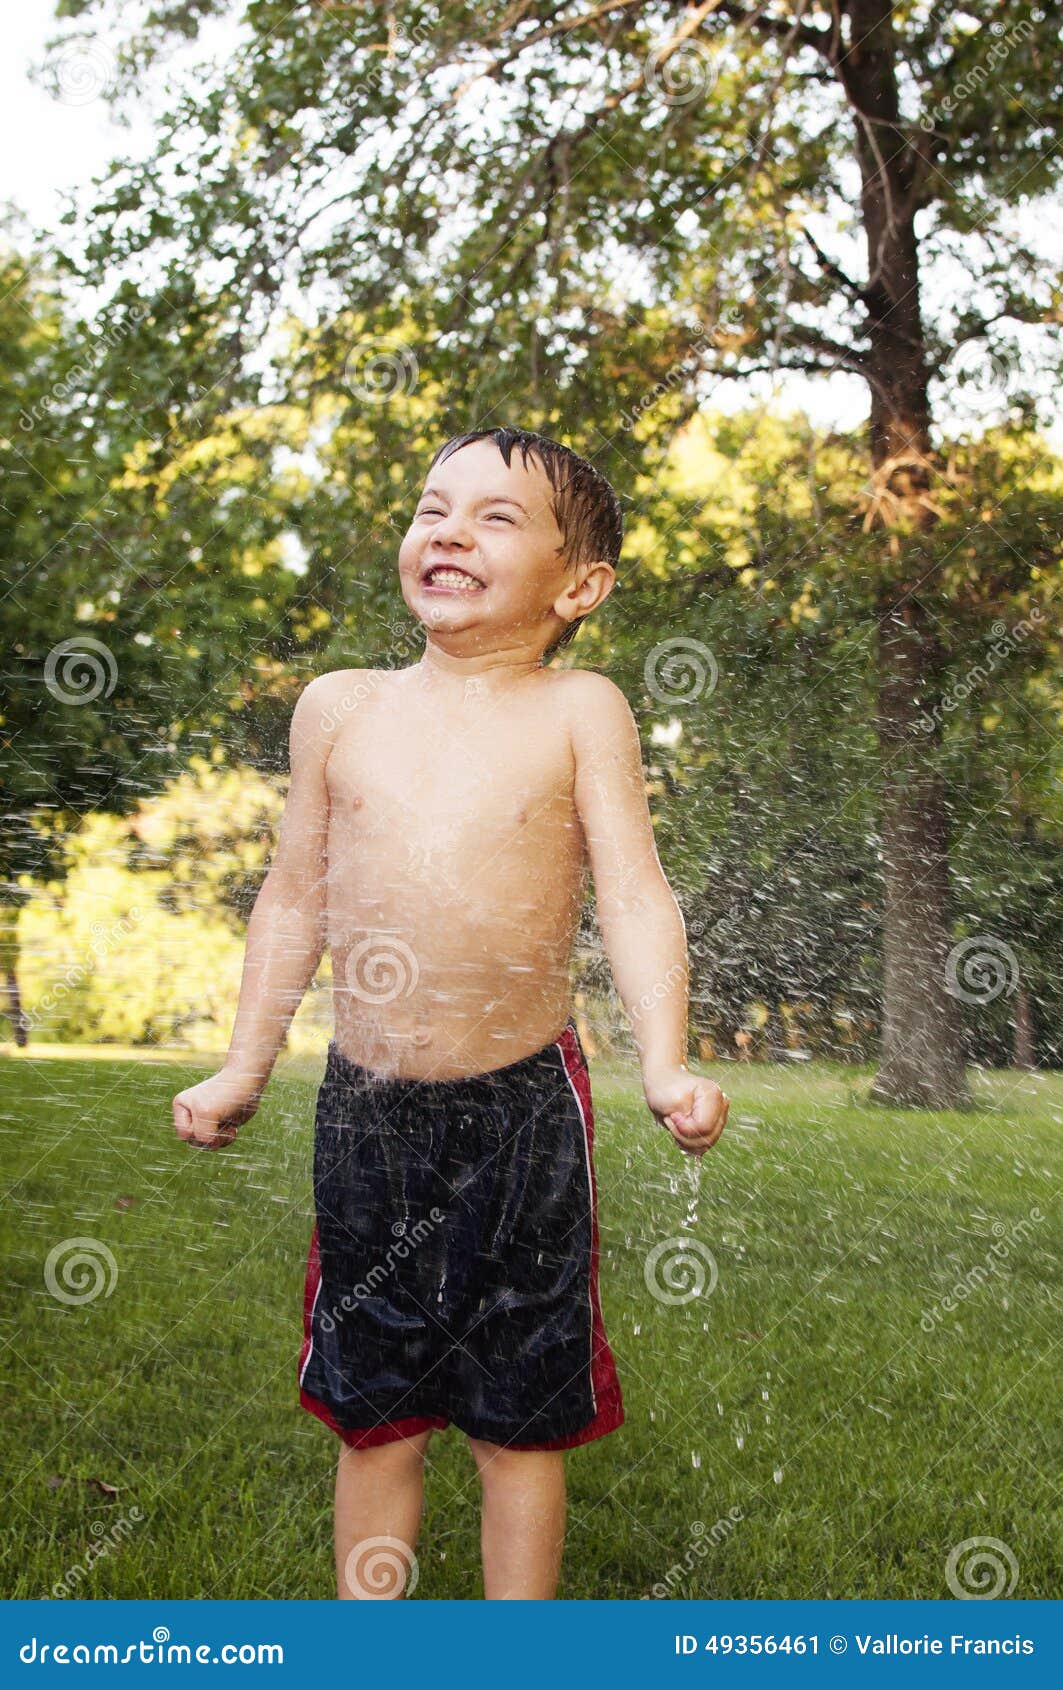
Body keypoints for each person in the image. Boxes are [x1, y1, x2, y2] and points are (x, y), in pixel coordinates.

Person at [172, 425, 729, 1600]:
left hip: (524, 1108)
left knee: (518, 1414)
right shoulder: (339, 707)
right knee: (375, 1410)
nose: (449, 532)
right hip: (366, 1110)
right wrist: (240, 1069)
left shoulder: (580, 709)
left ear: (577, 585)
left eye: (494, 517)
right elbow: (292, 896)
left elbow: (633, 891)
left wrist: (666, 1064)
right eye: (432, 508)